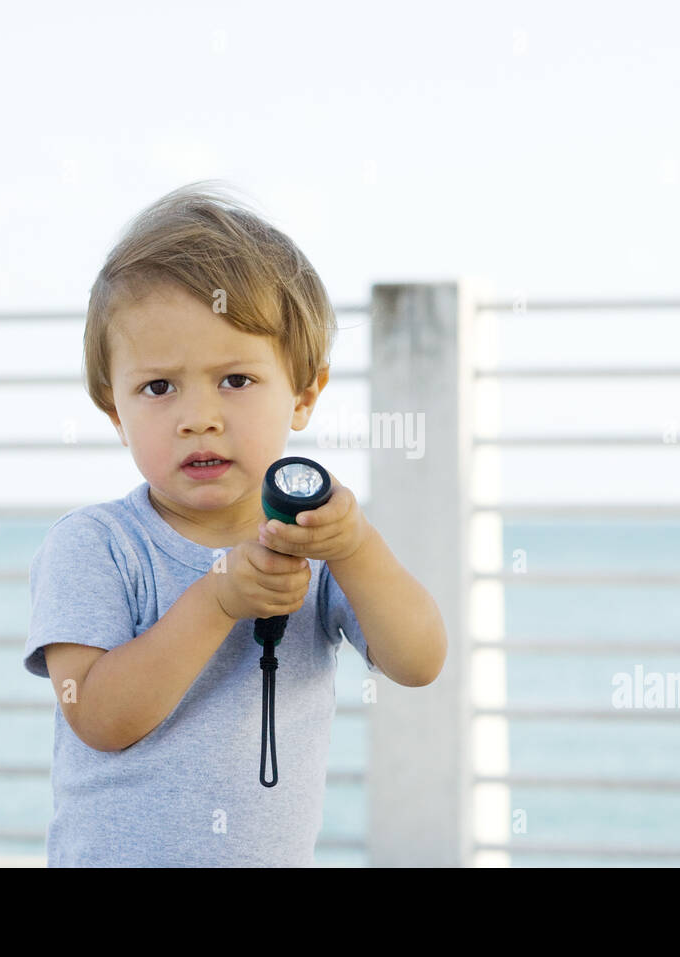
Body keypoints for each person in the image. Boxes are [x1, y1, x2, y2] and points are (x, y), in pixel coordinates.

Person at [23, 181, 447, 866]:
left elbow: (420, 659)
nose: (198, 416)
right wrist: (219, 599)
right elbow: (98, 715)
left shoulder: (315, 541)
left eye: (235, 380)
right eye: (159, 387)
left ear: (305, 393)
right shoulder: (95, 546)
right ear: (114, 411)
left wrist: (358, 547)